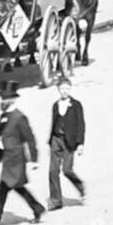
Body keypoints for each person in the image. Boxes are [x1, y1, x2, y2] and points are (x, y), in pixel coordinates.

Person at [0, 91, 44, 225]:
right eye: (2, 98)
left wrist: (34, 159)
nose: (2, 101)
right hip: (7, 158)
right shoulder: (4, 116)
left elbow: (30, 139)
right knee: (17, 187)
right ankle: (38, 209)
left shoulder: (19, 117)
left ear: (12, 100)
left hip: (16, 160)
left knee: (4, 187)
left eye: (5, 98)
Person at [47, 76, 86, 211]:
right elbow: (54, 123)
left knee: (67, 170)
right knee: (53, 171)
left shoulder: (76, 105)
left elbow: (81, 124)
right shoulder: (55, 105)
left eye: (67, 88)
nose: (64, 91)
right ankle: (56, 201)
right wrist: (50, 141)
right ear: (58, 90)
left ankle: (80, 186)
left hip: (69, 141)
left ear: (70, 89)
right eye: (62, 88)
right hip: (56, 140)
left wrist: (80, 143)